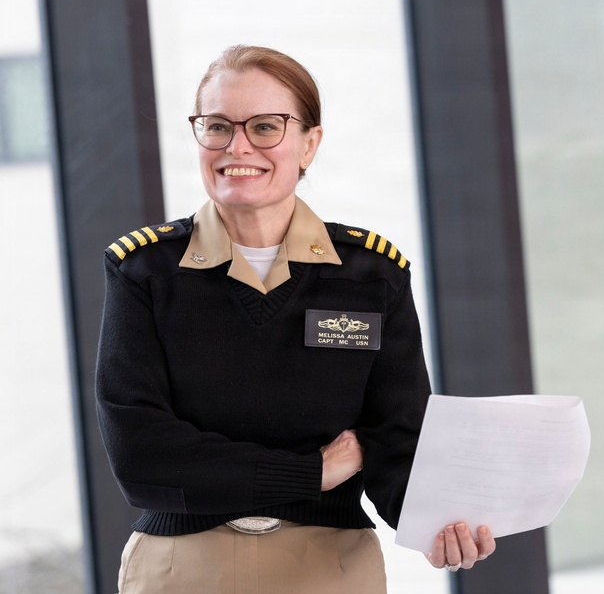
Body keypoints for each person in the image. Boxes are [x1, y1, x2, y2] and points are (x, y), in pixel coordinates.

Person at [96, 44, 494, 593]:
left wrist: (436, 525)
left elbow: (397, 440)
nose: (237, 146)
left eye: (265, 127)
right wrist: (313, 473)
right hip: (182, 570)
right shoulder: (144, 271)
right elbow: (143, 456)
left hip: (331, 570)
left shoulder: (370, 276)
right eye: (217, 127)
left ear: (309, 144)